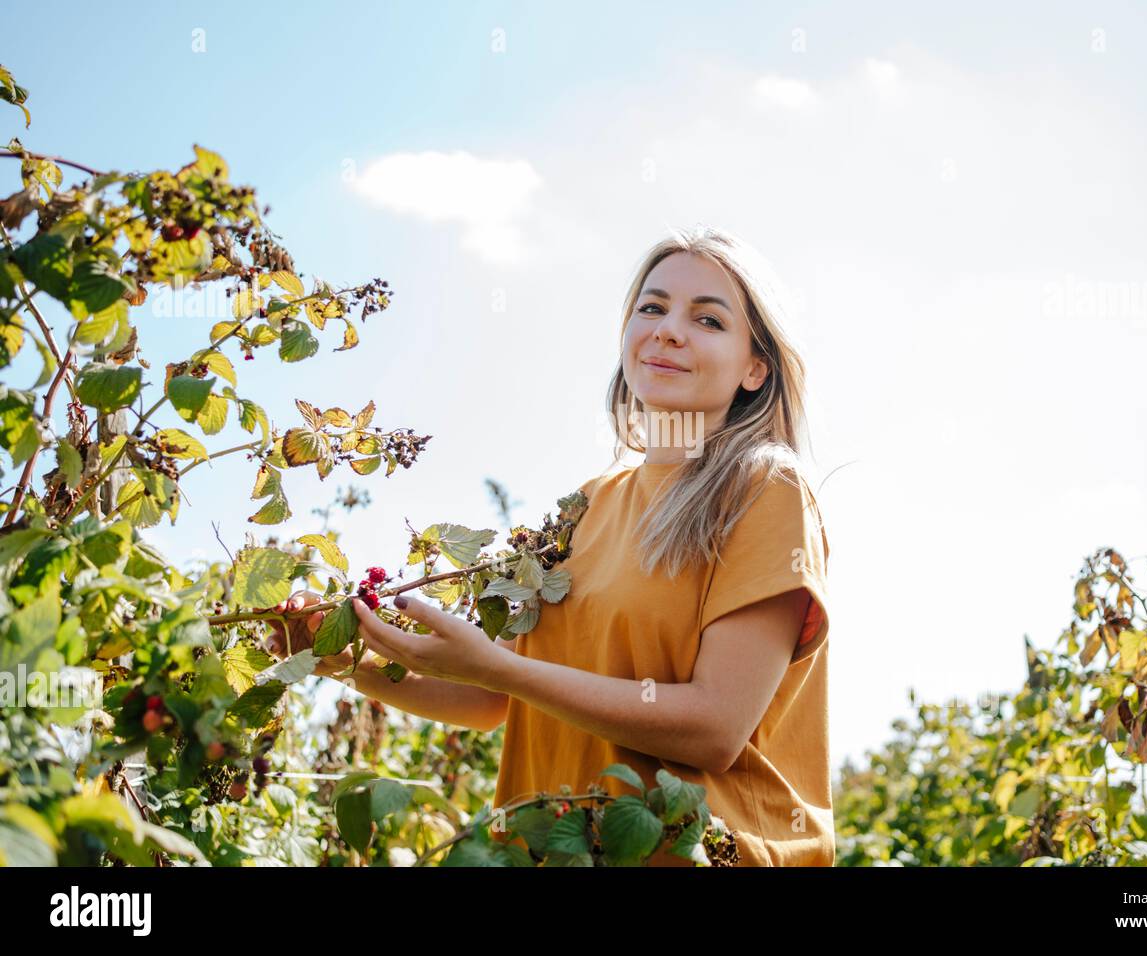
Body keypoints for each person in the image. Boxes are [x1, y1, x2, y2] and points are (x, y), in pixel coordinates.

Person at [264, 225, 833, 865]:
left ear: (756, 366)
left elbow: (714, 729)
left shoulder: (765, 489)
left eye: (708, 319)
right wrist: (342, 659)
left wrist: (500, 668)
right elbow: (493, 699)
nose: (669, 329)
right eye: (652, 307)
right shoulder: (587, 506)